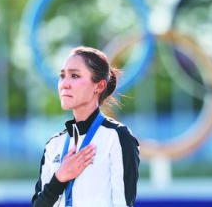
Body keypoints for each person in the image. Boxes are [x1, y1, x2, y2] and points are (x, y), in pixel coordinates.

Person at [31, 46, 140, 207]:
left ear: (99, 86)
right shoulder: (54, 145)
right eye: (62, 76)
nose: (64, 84)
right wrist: (60, 177)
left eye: (74, 75)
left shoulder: (118, 137)